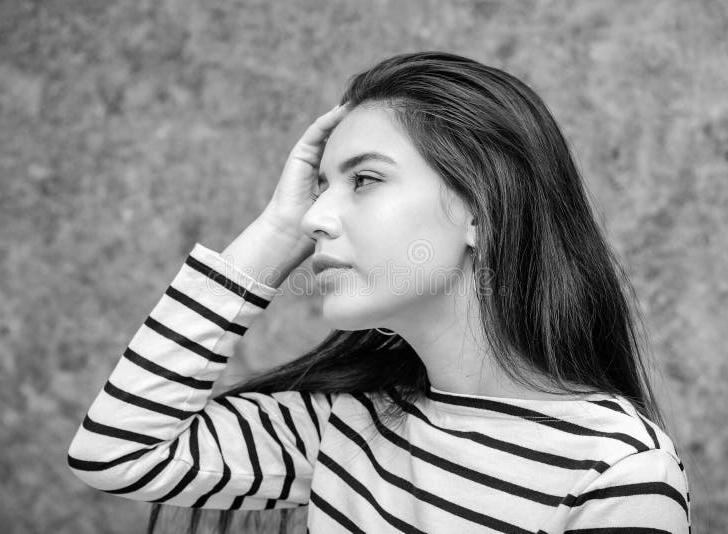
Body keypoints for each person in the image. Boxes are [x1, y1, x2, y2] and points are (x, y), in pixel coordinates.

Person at [67, 51, 691, 534]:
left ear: (482, 212)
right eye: (320, 189)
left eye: (364, 179)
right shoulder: (342, 426)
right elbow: (115, 454)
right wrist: (277, 231)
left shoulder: (616, 472)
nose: (315, 219)